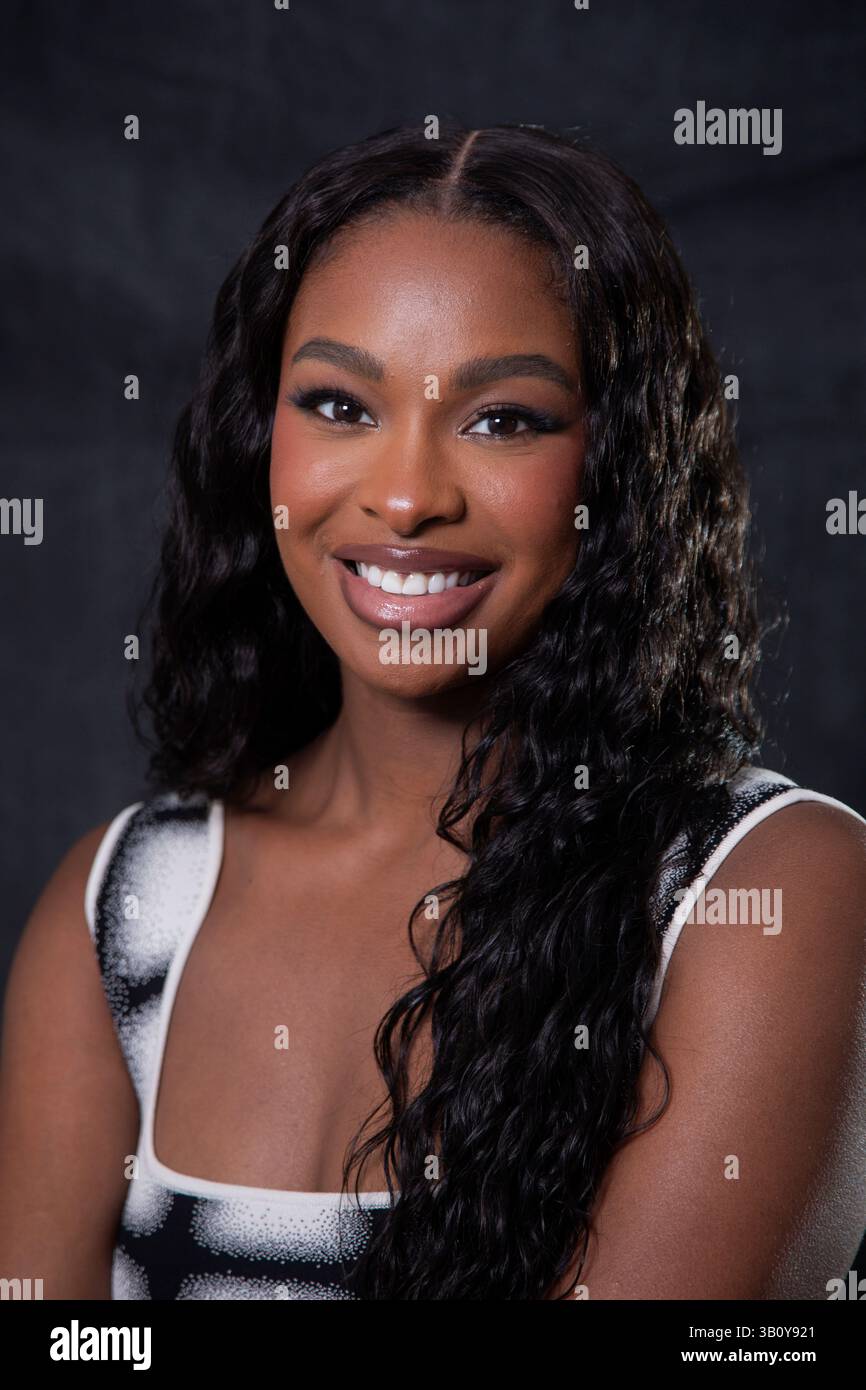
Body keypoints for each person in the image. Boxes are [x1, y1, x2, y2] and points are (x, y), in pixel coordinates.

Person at [1, 123, 864, 1302]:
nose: (406, 495)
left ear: (617, 462)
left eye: (501, 417)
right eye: (338, 404)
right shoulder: (123, 901)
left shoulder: (772, 888)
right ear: (263, 437)